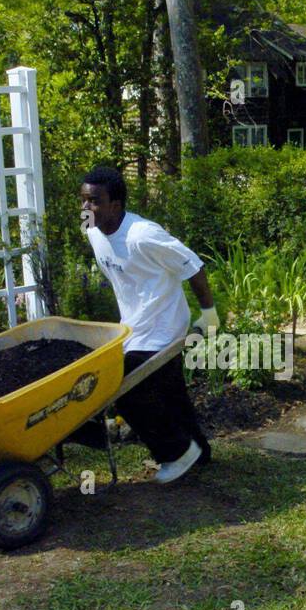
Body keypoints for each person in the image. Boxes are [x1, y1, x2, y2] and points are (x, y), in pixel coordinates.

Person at [65, 166, 218, 483]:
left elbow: (193, 266)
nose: (85, 208)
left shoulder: (142, 235)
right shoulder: (94, 231)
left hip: (162, 330)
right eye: (83, 200)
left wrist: (209, 314)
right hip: (134, 329)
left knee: (126, 393)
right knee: (169, 390)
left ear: (115, 205)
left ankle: (175, 453)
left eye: (93, 201)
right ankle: (199, 451)